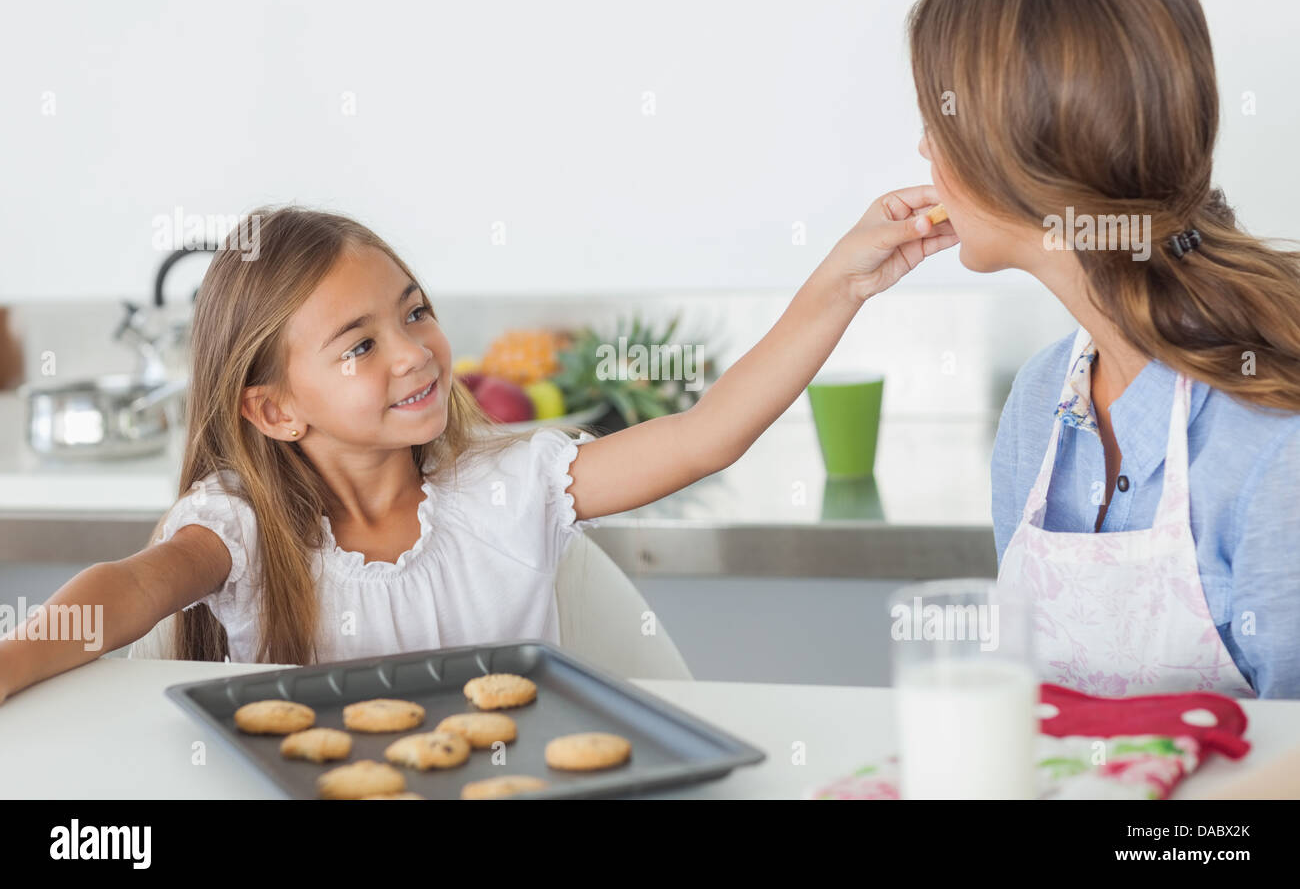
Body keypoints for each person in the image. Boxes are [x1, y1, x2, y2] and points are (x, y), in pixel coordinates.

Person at [0, 196, 956, 697]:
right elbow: (125, 589)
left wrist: (843, 283)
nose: (415, 352)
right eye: (361, 345)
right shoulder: (246, 531)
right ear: (275, 410)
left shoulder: (509, 488)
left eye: (415, 311)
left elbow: (707, 437)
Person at [911, 0, 1300, 697]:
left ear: (1017, 151)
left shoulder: (1274, 442)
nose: (924, 147)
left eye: (941, 121)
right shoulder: (1041, 402)